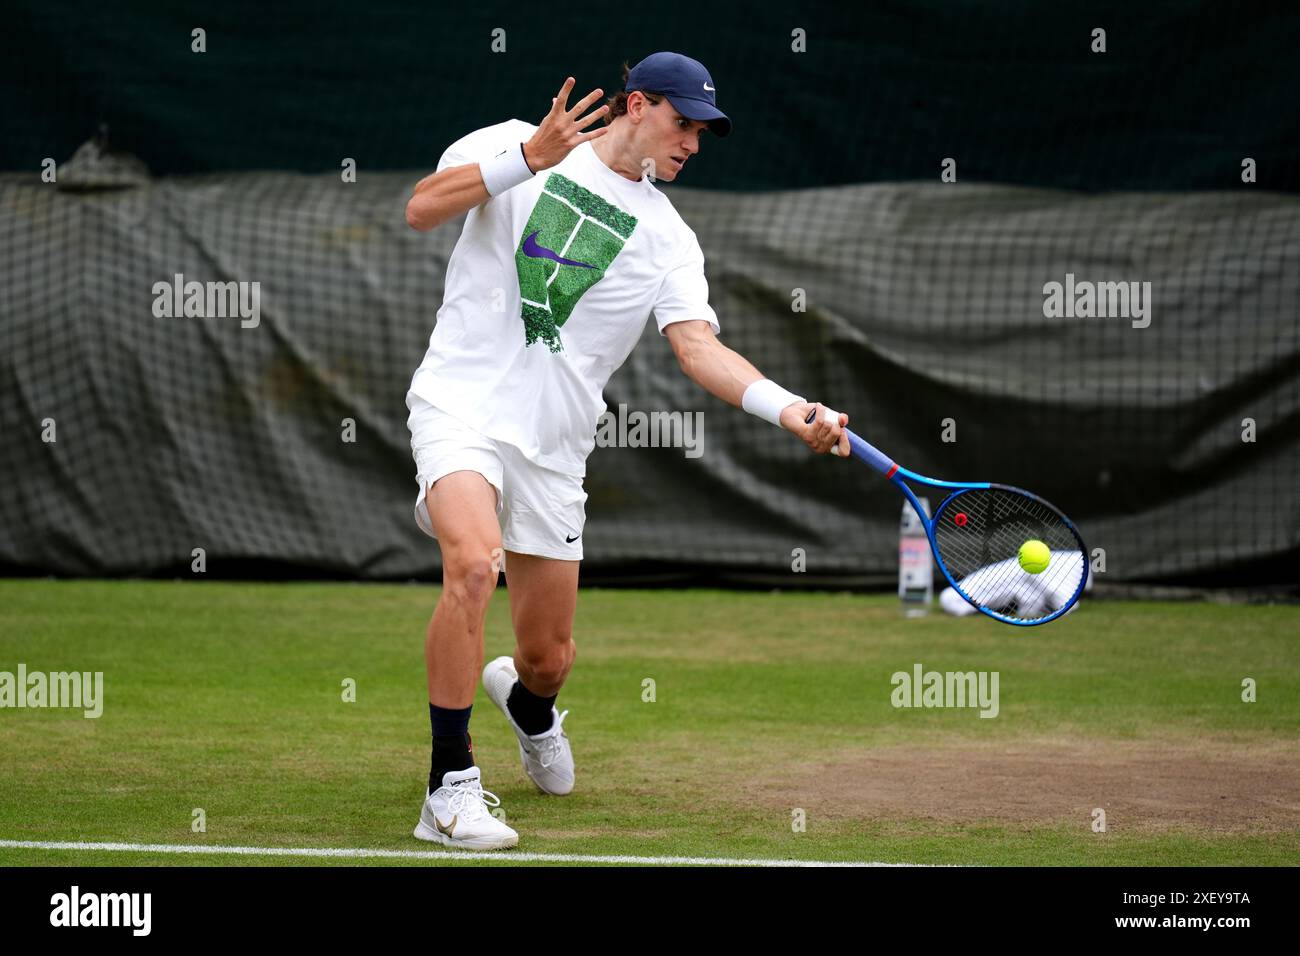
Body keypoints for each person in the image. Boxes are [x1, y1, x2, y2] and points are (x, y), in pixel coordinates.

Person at [403, 51, 848, 849]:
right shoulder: (516, 140)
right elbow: (422, 209)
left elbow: (698, 349)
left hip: (554, 447)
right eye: (683, 125)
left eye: (703, 133)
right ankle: (449, 790)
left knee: (548, 657)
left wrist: (790, 409)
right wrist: (527, 160)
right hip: (458, 405)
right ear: (637, 106)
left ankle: (529, 704)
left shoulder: (670, 238)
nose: (692, 145)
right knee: (473, 564)